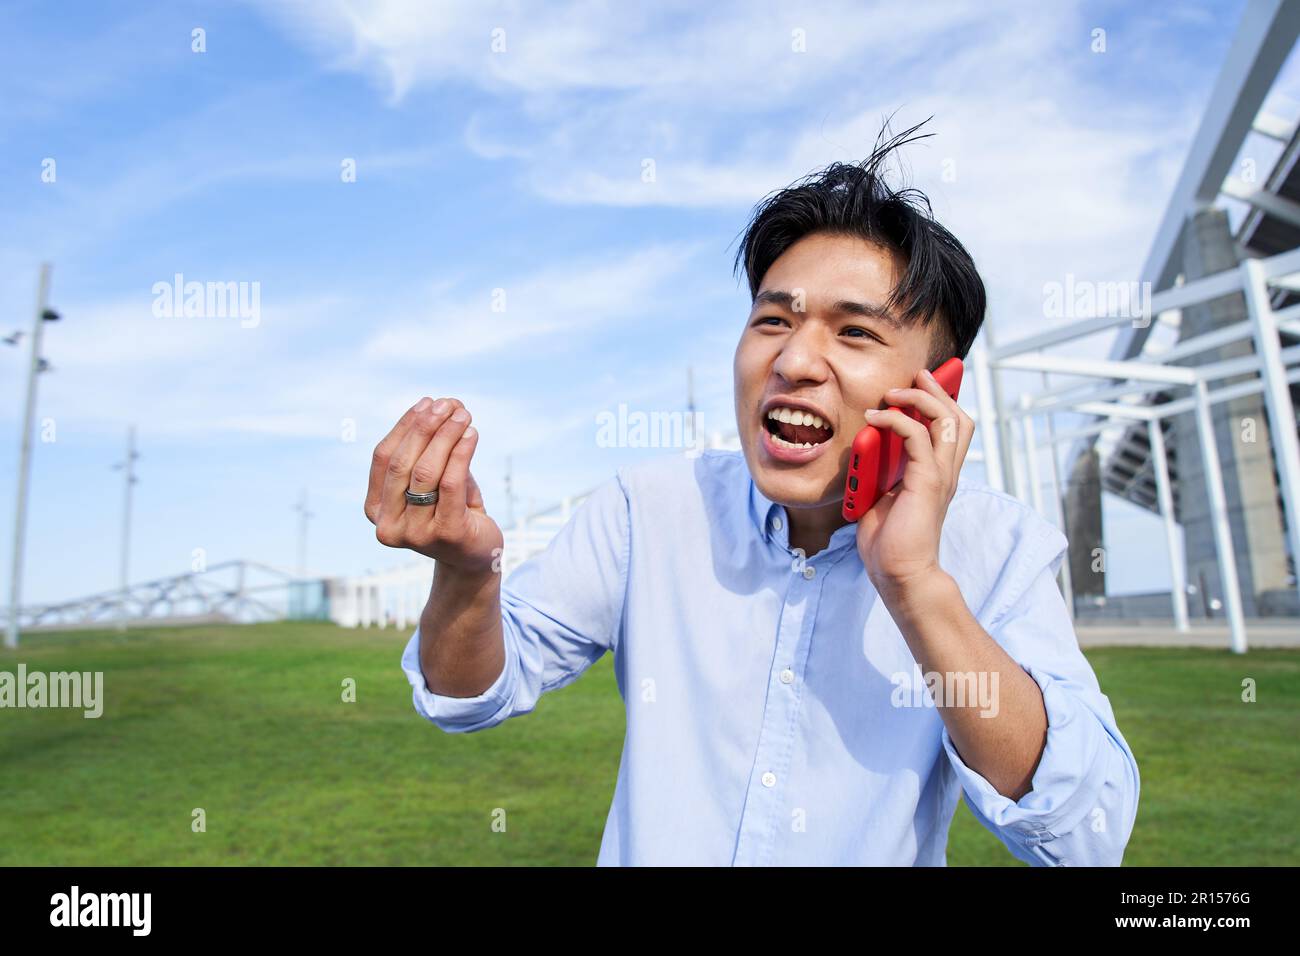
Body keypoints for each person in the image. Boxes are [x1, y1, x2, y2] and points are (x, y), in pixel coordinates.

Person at [366, 120, 1140, 866]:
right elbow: (468, 697)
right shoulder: (650, 511)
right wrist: (466, 576)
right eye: (773, 318)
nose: (795, 359)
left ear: (934, 391)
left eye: (855, 333)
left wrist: (916, 586)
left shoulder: (998, 549)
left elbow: (1085, 834)